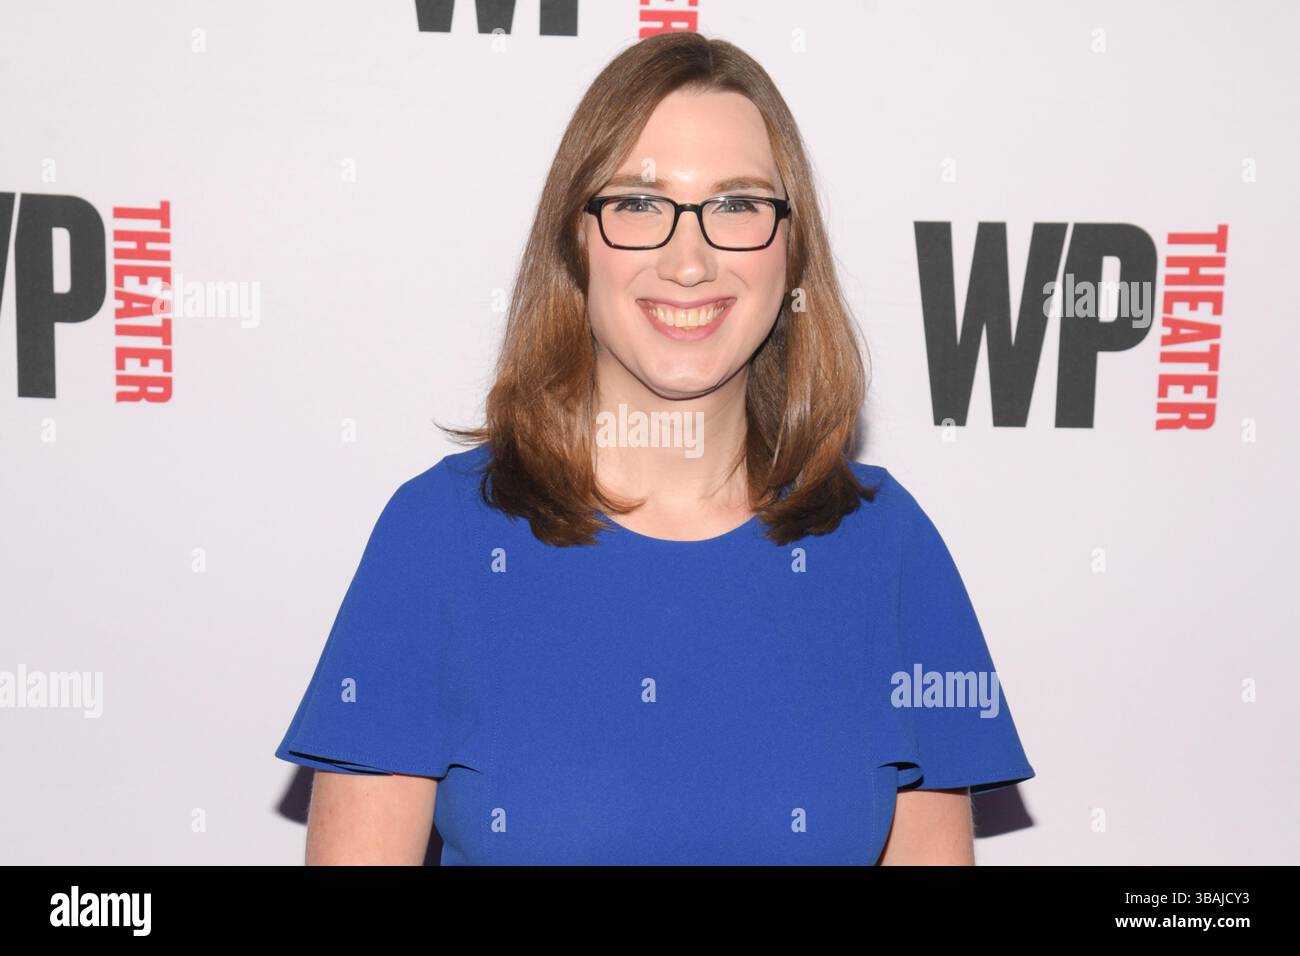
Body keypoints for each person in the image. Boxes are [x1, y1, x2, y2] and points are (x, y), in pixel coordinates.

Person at [274, 31, 1034, 865]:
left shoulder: (887, 548)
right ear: (577, 243)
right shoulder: (439, 540)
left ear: (791, 252)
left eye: (738, 204)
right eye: (638, 205)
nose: (689, 259)